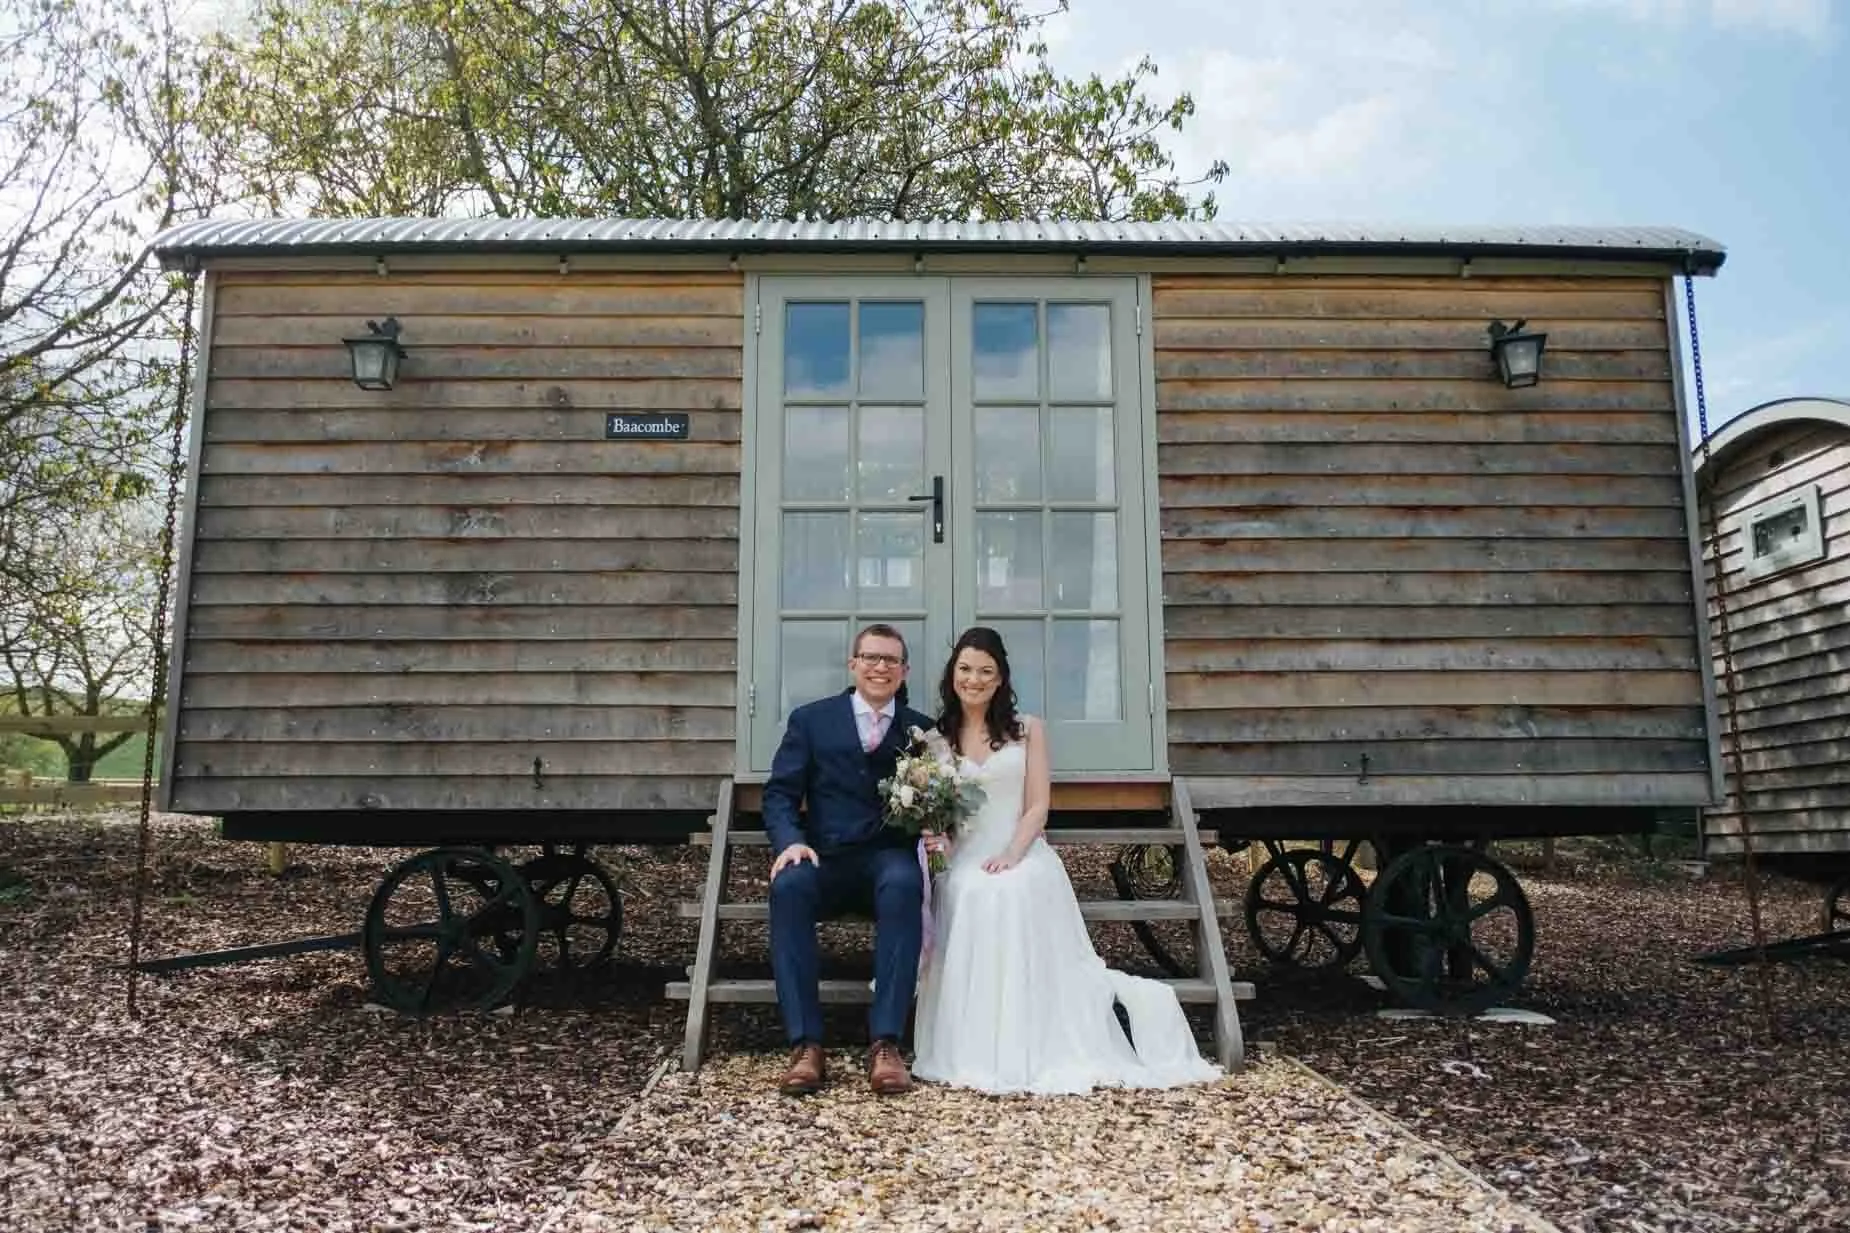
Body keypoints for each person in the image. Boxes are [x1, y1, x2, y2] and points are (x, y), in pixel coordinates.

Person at [911, 626, 1223, 1095]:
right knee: (968, 889)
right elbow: (942, 815)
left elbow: (1038, 805)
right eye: (965, 669)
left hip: (1020, 846)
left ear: (1001, 680)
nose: (973, 679)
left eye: (985, 671)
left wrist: (1012, 853)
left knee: (1010, 889)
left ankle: (1027, 1041)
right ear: (952, 674)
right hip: (966, 855)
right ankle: (971, 1044)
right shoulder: (937, 740)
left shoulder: (1027, 730)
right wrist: (942, 845)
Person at [764, 622, 937, 1097]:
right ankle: (805, 1045)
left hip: (887, 858)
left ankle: (886, 1043)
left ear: (905, 671)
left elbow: (938, 797)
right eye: (871, 658)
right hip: (826, 855)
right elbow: (780, 793)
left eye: (891, 660)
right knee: (788, 887)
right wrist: (789, 843)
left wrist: (933, 830)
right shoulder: (811, 720)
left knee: (905, 884)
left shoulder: (921, 730)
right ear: (853, 664)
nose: (881, 667)